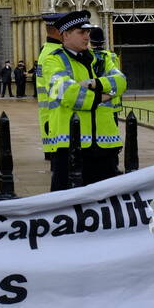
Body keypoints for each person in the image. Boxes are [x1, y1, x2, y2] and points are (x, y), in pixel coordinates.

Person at [45, 10, 126, 190]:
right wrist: (104, 95)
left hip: (105, 143)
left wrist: (93, 83)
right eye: (81, 32)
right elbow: (67, 92)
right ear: (65, 35)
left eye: (88, 32)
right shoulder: (53, 61)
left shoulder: (102, 59)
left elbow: (120, 82)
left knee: (106, 203)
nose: (87, 36)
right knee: (65, 203)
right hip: (70, 146)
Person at [36, 12, 66, 162]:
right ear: (56, 31)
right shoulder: (53, 54)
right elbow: (61, 88)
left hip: (49, 114)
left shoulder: (46, 51)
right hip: (56, 116)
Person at [89, 26, 124, 117]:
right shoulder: (112, 56)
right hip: (112, 100)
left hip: (92, 100)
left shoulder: (87, 56)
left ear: (90, 40)